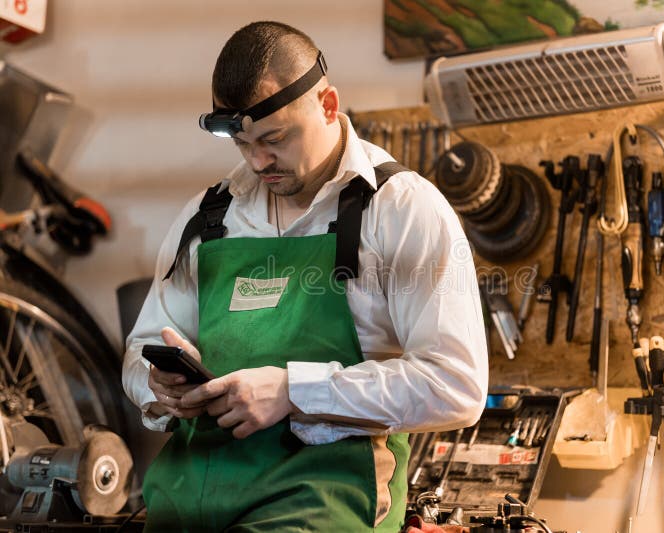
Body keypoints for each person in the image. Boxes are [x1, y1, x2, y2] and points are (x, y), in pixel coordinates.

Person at [122, 20, 487, 532]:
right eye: (243, 144)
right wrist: (159, 387)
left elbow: (457, 385)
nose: (258, 161)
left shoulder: (401, 210)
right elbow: (139, 352)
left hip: (319, 501)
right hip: (187, 498)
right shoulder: (207, 218)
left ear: (329, 105)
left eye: (274, 139)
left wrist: (296, 391)